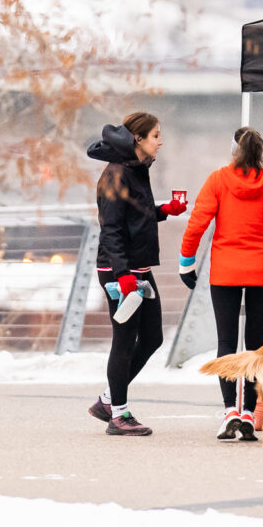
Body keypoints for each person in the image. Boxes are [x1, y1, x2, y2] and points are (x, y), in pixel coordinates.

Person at [178, 127, 263, 441]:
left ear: (234, 152)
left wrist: (187, 262)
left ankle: (229, 412)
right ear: (260, 153)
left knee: (226, 343)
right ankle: (250, 413)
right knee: (255, 346)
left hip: (225, 272)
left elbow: (197, 223)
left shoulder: (218, 180)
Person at [86, 112, 187, 436]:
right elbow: (111, 230)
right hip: (121, 271)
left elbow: (136, 217)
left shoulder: (136, 169)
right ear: (138, 139)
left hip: (138, 269)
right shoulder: (115, 174)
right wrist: (122, 275)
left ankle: (107, 401)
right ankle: (118, 414)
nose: (161, 141)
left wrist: (164, 211)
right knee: (125, 341)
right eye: (156, 135)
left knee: (153, 337)